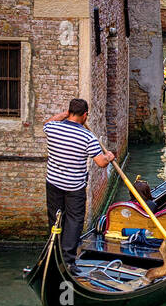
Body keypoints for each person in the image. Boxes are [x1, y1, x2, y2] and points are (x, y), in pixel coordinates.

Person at [44, 98, 115, 270]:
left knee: (55, 219)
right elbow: (101, 163)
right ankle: (68, 261)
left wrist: (65, 114)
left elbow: (50, 121)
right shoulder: (88, 137)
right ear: (85, 115)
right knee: (73, 221)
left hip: (53, 183)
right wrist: (109, 157)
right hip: (74, 187)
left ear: (69, 112)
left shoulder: (51, 128)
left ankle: (53, 254)